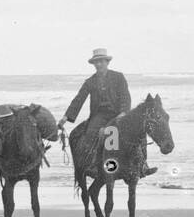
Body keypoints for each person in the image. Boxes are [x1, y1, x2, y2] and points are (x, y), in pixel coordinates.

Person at [57, 48, 157, 177]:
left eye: (101, 61)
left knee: (139, 132)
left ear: (107, 62)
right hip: (99, 115)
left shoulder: (118, 77)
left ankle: (143, 165)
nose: (99, 64)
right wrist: (66, 117)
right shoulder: (90, 82)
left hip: (119, 114)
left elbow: (125, 96)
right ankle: (93, 164)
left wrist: (123, 112)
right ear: (93, 64)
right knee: (90, 133)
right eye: (96, 62)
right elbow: (79, 99)